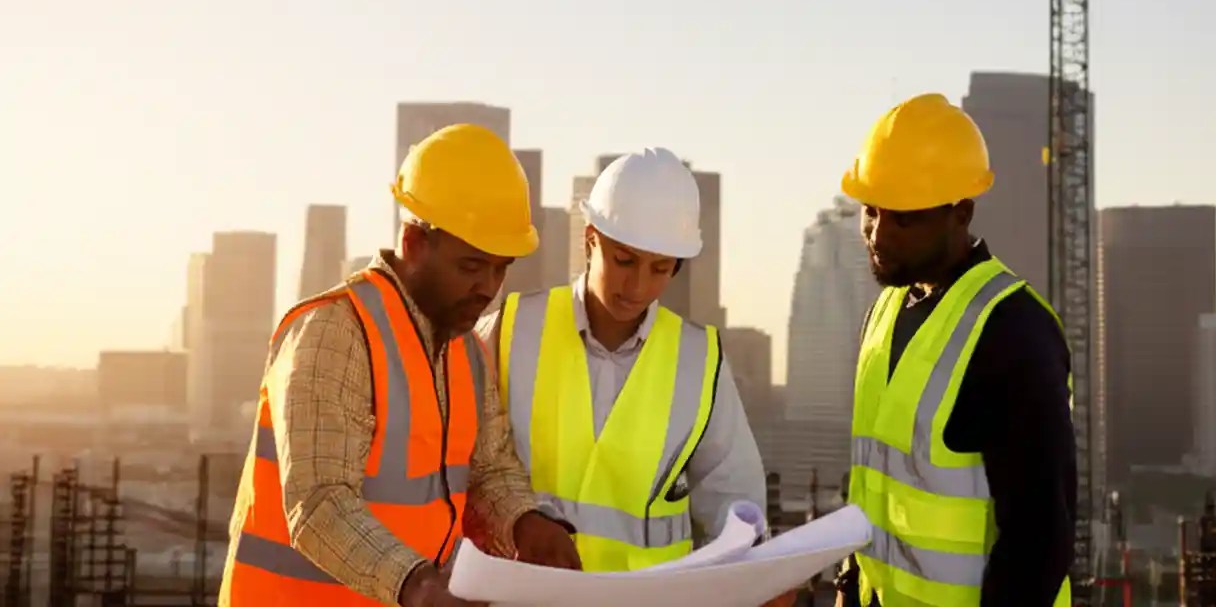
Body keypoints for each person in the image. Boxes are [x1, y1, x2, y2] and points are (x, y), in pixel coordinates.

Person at [219, 123, 581, 607]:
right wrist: (417, 584)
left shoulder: (467, 351)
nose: (488, 287)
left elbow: (490, 470)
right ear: (413, 242)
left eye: (500, 268)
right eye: (470, 266)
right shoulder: (334, 332)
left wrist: (524, 522)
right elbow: (319, 501)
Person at [476, 147, 793, 604]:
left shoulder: (699, 360)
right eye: (624, 260)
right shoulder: (511, 330)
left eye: (660, 268)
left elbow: (731, 495)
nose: (639, 285)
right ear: (590, 239)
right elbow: (469, 465)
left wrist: (757, 569)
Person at [832, 94, 1076, 607]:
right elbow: (875, 487)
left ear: (960, 212)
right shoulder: (885, 313)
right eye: (871, 211)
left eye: (903, 218)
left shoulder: (1014, 332)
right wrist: (849, 586)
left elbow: (1040, 537)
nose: (879, 235)